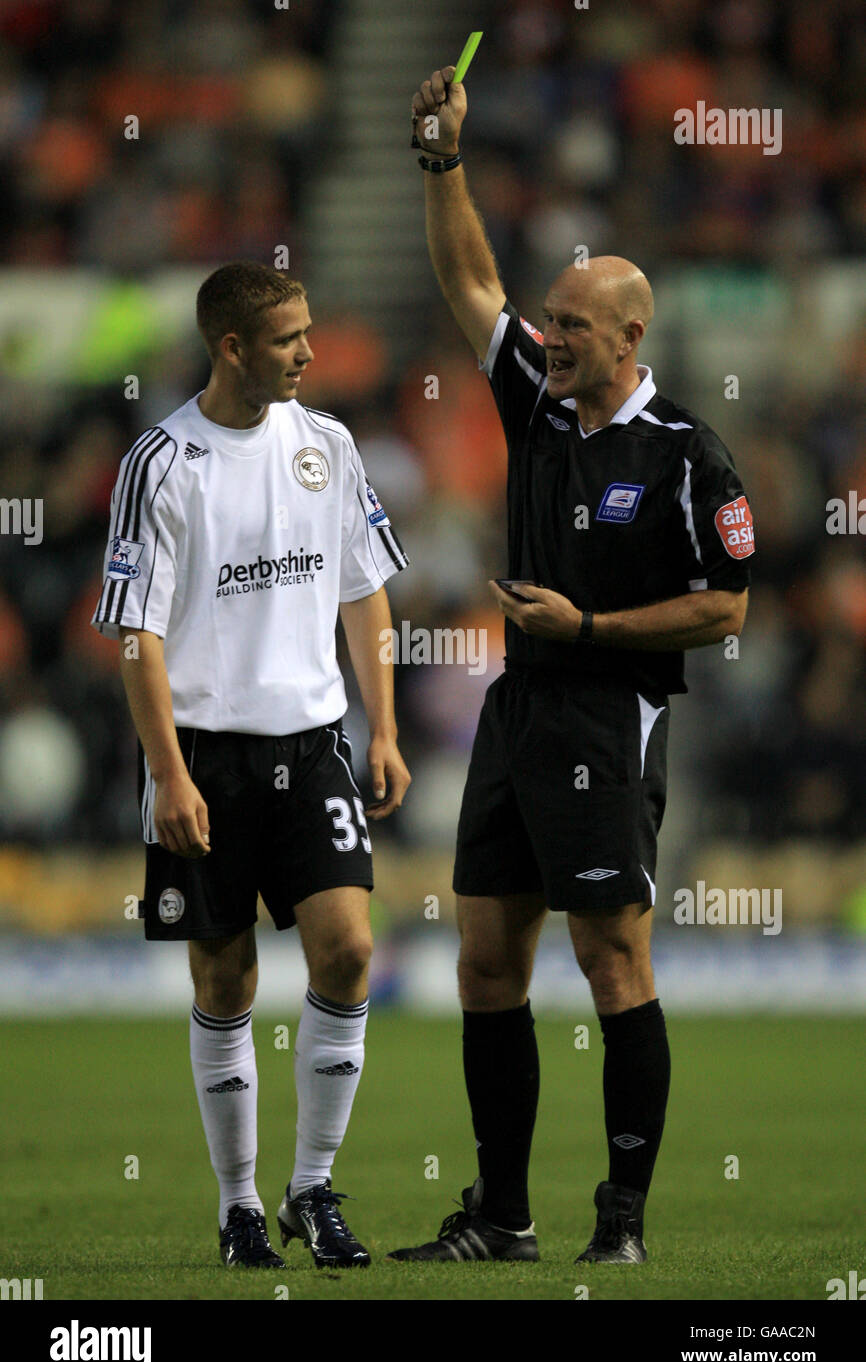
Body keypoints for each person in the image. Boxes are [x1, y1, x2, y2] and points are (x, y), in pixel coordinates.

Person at [388, 68, 753, 1265]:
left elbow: (723, 604)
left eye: (573, 325)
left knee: (609, 956)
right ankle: (501, 1215)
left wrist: (587, 629)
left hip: (607, 713)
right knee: (485, 959)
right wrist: (443, 163)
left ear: (630, 337)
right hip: (518, 711)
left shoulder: (688, 455)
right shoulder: (537, 405)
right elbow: (467, 282)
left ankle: (624, 1219)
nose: (547, 336)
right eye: (547, 321)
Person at [92, 261, 410, 1270]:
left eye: (309, 333)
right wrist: (169, 774)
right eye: (288, 340)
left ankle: (310, 1189)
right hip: (205, 760)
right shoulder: (163, 463)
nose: (311, 352)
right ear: (231, 347)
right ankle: (237, 1209)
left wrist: (386, 728)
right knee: (224, 978)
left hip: (312, 747)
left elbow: (363, 590)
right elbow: (135, 633)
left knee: (349, 950)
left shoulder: (329, 444)